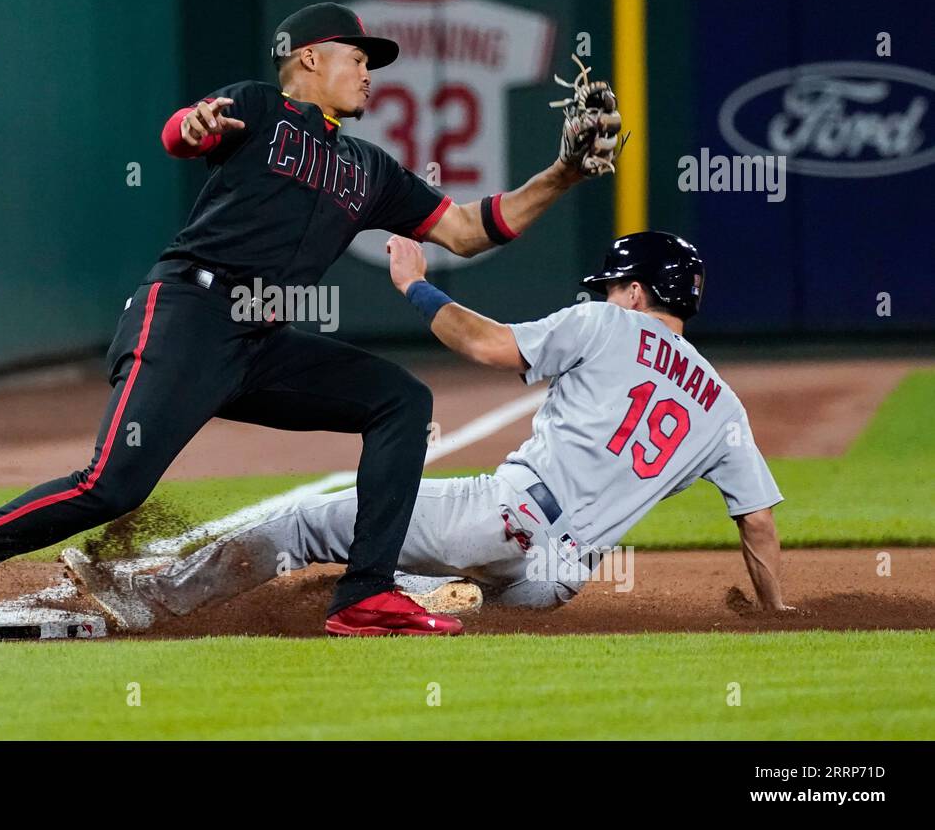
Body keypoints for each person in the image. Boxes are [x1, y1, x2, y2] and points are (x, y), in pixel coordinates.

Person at [0, 1, 624, 645]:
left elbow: (463, 229)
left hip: (259, 341)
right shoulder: (262, 107)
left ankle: (364, 594)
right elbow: (187, 130)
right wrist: (191, 127)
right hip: (186, 314)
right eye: (359, 58)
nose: (369, 72)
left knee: (400, 401)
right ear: (313, 58)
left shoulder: (368, 168)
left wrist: (561, 173)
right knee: (110, 487)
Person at [85, 232, 794, 626]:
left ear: (634, 292)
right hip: (552, 582)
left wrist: (415, 286)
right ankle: (439, 595)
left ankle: (149, 600)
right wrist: (777, 611)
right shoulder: (723, 406)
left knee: (303, 524)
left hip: (501, 517)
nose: (604, 295)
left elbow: (487, 346)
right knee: (383, 567)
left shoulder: (605, 323)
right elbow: (757, 524)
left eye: (611, 286)